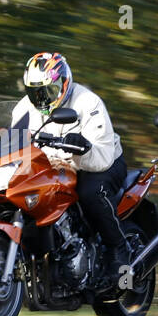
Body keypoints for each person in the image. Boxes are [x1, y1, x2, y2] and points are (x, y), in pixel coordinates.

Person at [11, 51, 130, 281]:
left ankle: (118, 249)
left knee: (90, 193)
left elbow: (102, 157)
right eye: (35, 92)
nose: (42, 99)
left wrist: (81, 148)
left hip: (99, 162)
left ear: (64, 83)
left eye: (48, 90)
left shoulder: (88, 103)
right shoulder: (23, 108)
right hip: (54, 165)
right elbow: (12, 141)